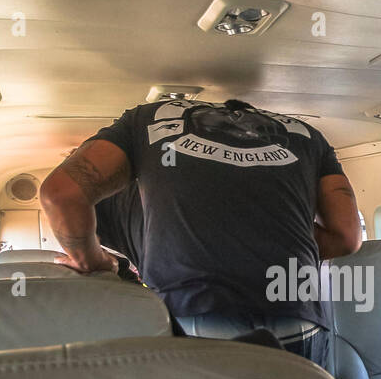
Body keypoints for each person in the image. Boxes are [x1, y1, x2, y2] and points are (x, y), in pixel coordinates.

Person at [40, 98, 361, 363]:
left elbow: (62, 194)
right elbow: (347, 237)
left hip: (192, 314)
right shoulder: (307, 134)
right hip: (296, 312)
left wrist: (92, 261)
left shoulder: (146, 119)